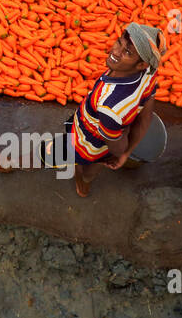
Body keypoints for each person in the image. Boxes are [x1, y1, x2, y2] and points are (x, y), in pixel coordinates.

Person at [64, 23, 164, 198]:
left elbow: (116, 147)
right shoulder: (149, 73)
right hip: (99, 128)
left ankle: (82, 183)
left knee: (82, 161)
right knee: (96, 162)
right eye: (120, 42)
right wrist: (128, 152)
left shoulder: (110, 107)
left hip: (89, 142)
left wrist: (122, 152)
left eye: (127, 52)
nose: (116, 51)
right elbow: (145, 116)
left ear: (141, 64)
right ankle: (84, 183)